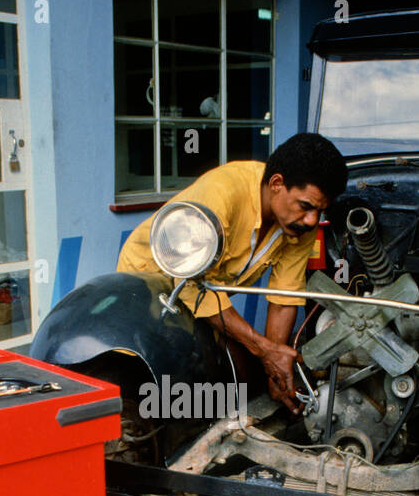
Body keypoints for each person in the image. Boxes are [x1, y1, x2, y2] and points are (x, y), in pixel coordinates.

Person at [117, 132, 347, 413]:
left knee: (239, 378)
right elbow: (191, 284)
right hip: (150, 281)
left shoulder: (300, 225)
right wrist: (263, 350)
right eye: (306, 206)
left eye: (320, 210)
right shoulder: (222, 193)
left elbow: (284, 297)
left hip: (204, 294)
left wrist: (275, 368)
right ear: (277, 184)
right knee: (155, 381)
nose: (313, 219)